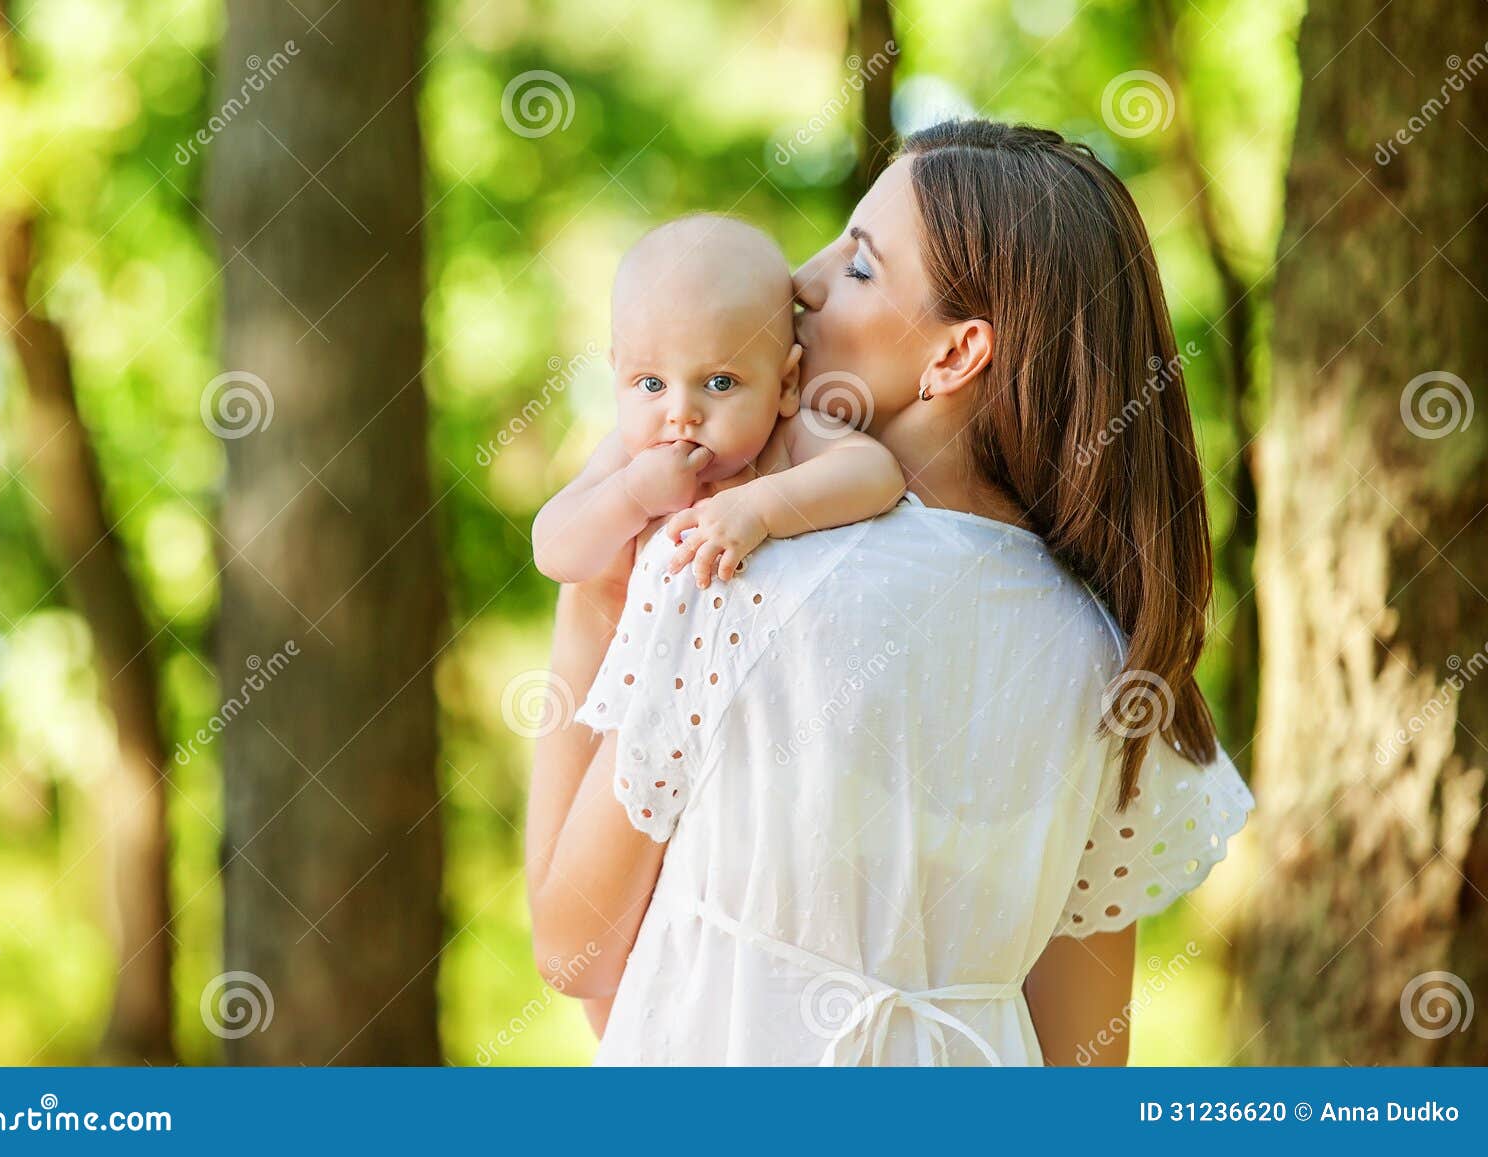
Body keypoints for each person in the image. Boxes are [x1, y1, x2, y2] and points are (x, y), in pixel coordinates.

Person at [525, 119, 1256, 1065]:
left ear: (956, 355)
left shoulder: (730, 569)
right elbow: (1086, 1063)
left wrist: (594, 601)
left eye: (861, 266)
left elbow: (572, 948)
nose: (804, 281)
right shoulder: (1108, 652)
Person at [532, 213, 903, 592]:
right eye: (651, 383)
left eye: (719, 382)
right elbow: (552, 551)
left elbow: (878, 475)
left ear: (786, 383)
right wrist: (631, 496)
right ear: (617, 377)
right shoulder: (626, 460)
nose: (681, 414)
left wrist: (759, 507)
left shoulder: (785, 439)